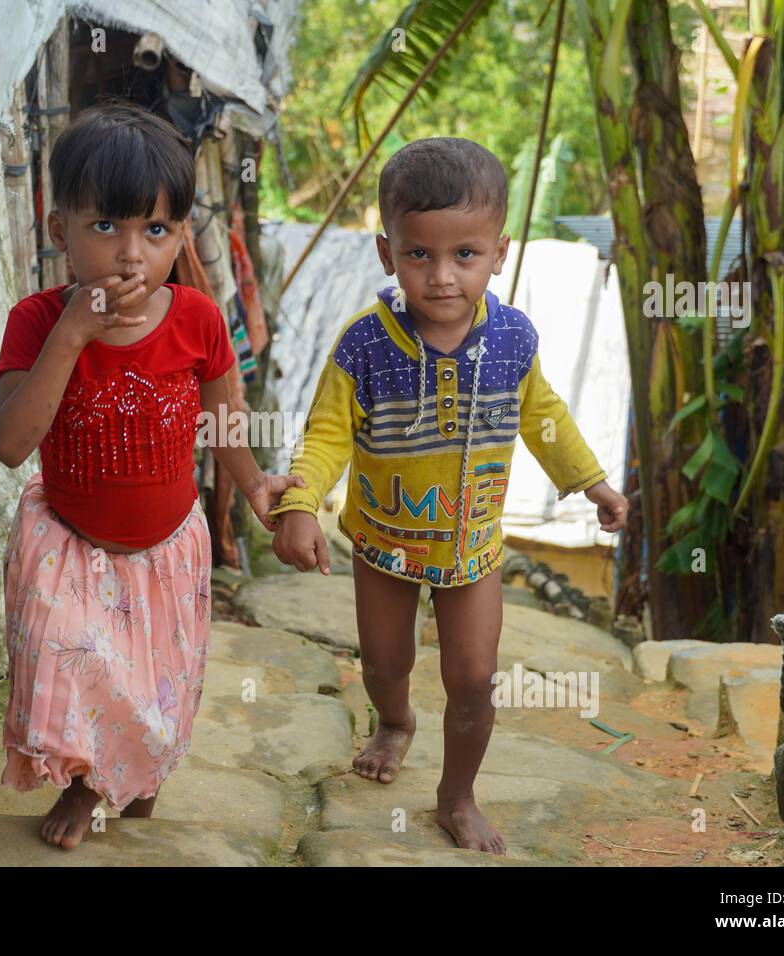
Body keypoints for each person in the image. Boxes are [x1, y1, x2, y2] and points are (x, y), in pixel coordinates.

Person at [267, 137, 629, 854]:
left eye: (465, 255)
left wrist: (591, 482)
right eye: (418, 255)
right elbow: (328, 435)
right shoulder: (364, 346)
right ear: (386, 253)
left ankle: (456, 795)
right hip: (382, 540)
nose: (440, 278)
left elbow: (543, 415)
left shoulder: (514, 341)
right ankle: (394, 720)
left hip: (472, 546)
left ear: (497, 253)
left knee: (473, 678)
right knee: (384, 665)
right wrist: (300, 502)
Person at [0, 101, 302, 850]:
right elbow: (11, 443)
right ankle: (82, 783)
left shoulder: (197, 319)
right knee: (72, 665)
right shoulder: (36, 322)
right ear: (58, 229)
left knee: (149, 696)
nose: (131, 254)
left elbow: (225, 418)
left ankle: (128, 791)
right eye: (107, 227)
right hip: (70, 544)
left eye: (155, 230)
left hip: (167, 551)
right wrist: (74, 334)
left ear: (180, 235)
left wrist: (256, 487)